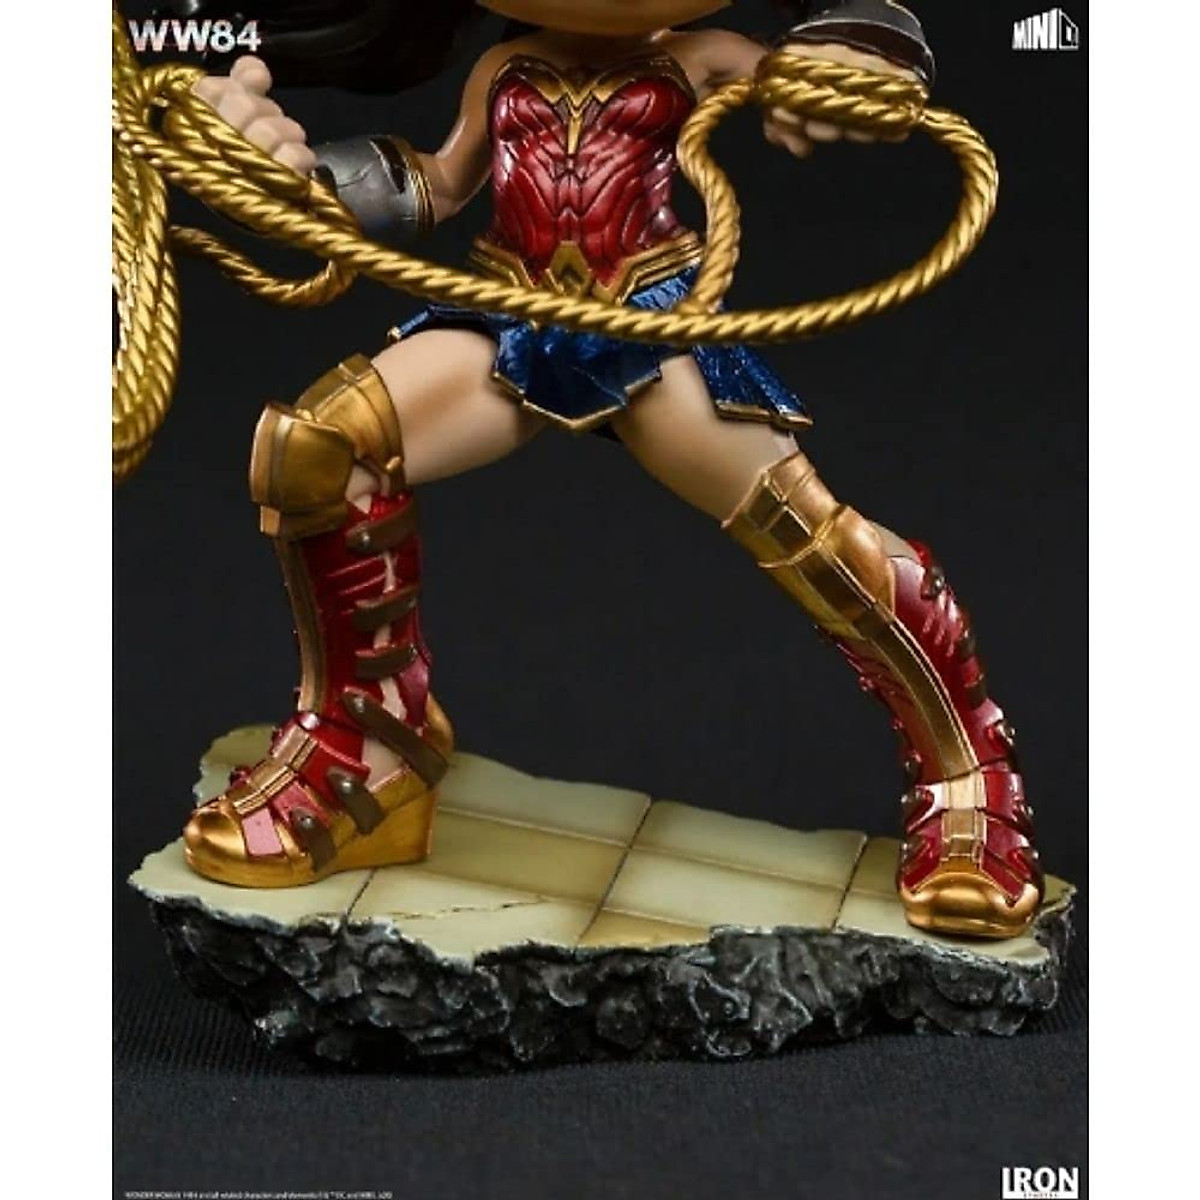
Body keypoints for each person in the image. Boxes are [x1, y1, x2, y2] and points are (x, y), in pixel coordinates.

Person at [181, 0, 1042, 939]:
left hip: (646, 329)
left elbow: (818, 74)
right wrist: (293, 177)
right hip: (512, 321)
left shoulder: (702, 58)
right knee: (314, 447)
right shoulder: (503, 70)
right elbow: (434, 183)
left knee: (812, 537)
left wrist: (858, 61)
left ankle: (968, 769)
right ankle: (371, 749)